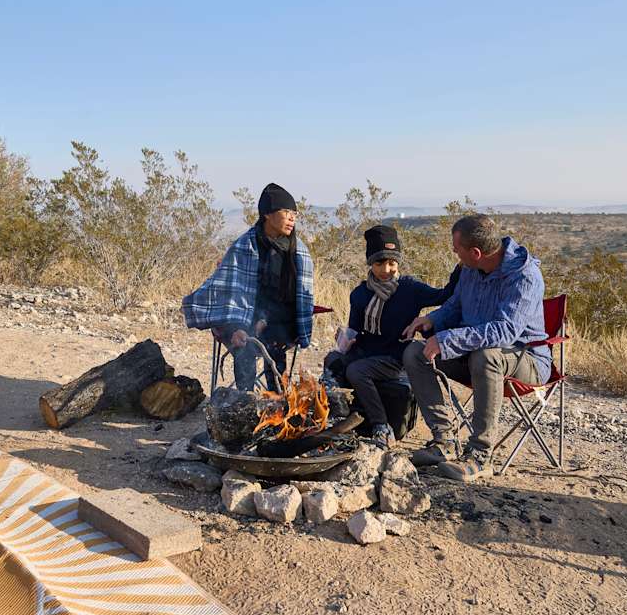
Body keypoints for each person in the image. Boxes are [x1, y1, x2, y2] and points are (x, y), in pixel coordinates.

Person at [401, 214, 549, 481]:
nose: (454, 252)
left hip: (526, 358)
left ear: (476, 253)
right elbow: (455, 306)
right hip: (474, 353)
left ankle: (481, 454)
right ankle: (444, 441)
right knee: (415, 353)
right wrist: (431, 319)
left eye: (457, 248)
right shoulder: (470, 270)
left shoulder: (524, 277)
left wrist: (447, 340)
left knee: (486, 356)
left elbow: (505, 331)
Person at [182, 183, 314, 391]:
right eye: (286, 212)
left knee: (275, 345)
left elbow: (294, 299)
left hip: (279, 321)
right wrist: (237, 327)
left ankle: (277, 401)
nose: (292, 218)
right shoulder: (244, 246)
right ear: (267, 214)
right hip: (240, 319)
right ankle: (245, 401)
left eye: (294, 214)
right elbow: (229, 293)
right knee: (244, 348)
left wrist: (265, 320)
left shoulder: (297, 252)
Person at [340, 225, 452, 448]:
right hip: (367, 352)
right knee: (332, 363)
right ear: (370, 263)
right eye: (379, 263)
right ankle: (339, 420)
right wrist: (344, 342)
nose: (386, 270)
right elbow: (354, 329)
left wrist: (461, 269)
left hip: (396, 357)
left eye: (392, 263)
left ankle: (381, 426)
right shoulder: (360, 294)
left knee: (356, 371)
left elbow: (444, 295)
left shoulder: (410, 289)